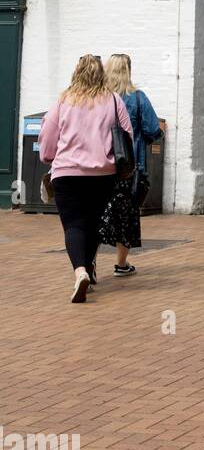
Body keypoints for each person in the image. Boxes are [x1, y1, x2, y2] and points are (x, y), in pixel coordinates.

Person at [38, 54, 133, 303]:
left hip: (67, 173)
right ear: (101, 74)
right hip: (103, 174)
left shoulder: (63, 100)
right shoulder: (113, 100)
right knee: (92, 224)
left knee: (74, 225)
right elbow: (127, 134)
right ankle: (88, 269)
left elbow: (48, 135)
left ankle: (80, 271)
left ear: (76, 72)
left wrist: (49, 157)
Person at [98, 54, 162, 277]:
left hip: (99, 165)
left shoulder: (98, 98)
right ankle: (121, 264)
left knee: (97, 214)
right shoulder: (137, 98)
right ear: (129, 70)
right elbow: (153, 130)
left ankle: (89, 264)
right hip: (128, 168)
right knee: (125, 216)